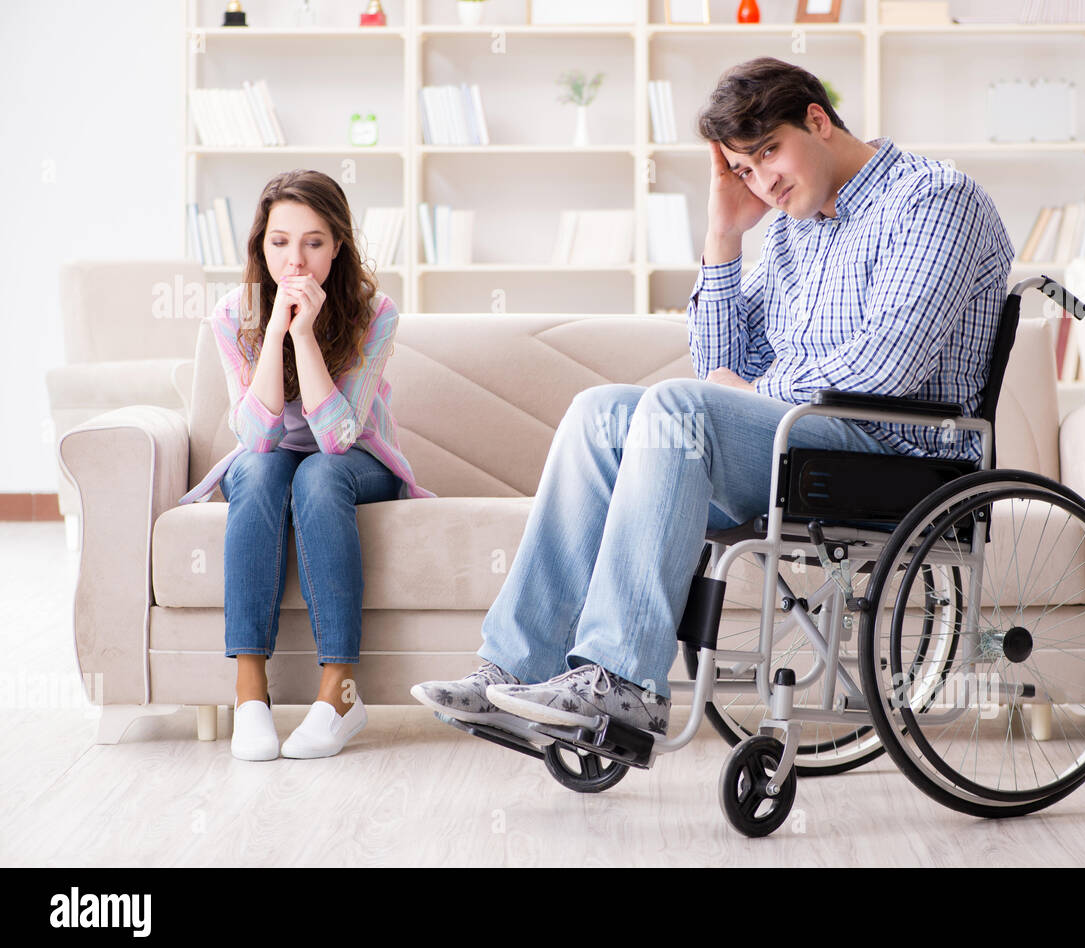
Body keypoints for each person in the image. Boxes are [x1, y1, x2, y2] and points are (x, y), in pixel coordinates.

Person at [412, 56, 1015, 739]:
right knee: (599, 413)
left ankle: (621, 682)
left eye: (768, 154)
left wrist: (752, 391)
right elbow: (720, 364)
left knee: (678, 407)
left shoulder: (934, 199)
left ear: (817, 121)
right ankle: (515, 668)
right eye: (746, 169)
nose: (762, 180)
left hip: (896, 454)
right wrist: (724, 235)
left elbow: (888, 365)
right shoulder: (794, 224)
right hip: (802, 443)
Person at [179, 169, 434, 761]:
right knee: (263, 470)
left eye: (313, 242)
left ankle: (339, 694)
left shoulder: (376, 312)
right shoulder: (229, 314)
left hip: (356, 462)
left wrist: (306, 338)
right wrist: (273, 333)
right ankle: (249, 694)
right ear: (259, 245)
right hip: (270, 458)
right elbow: (258, 438)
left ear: (338, 244)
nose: (295, 260)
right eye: (279, 242)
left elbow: (339, 436)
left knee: (318, 471)